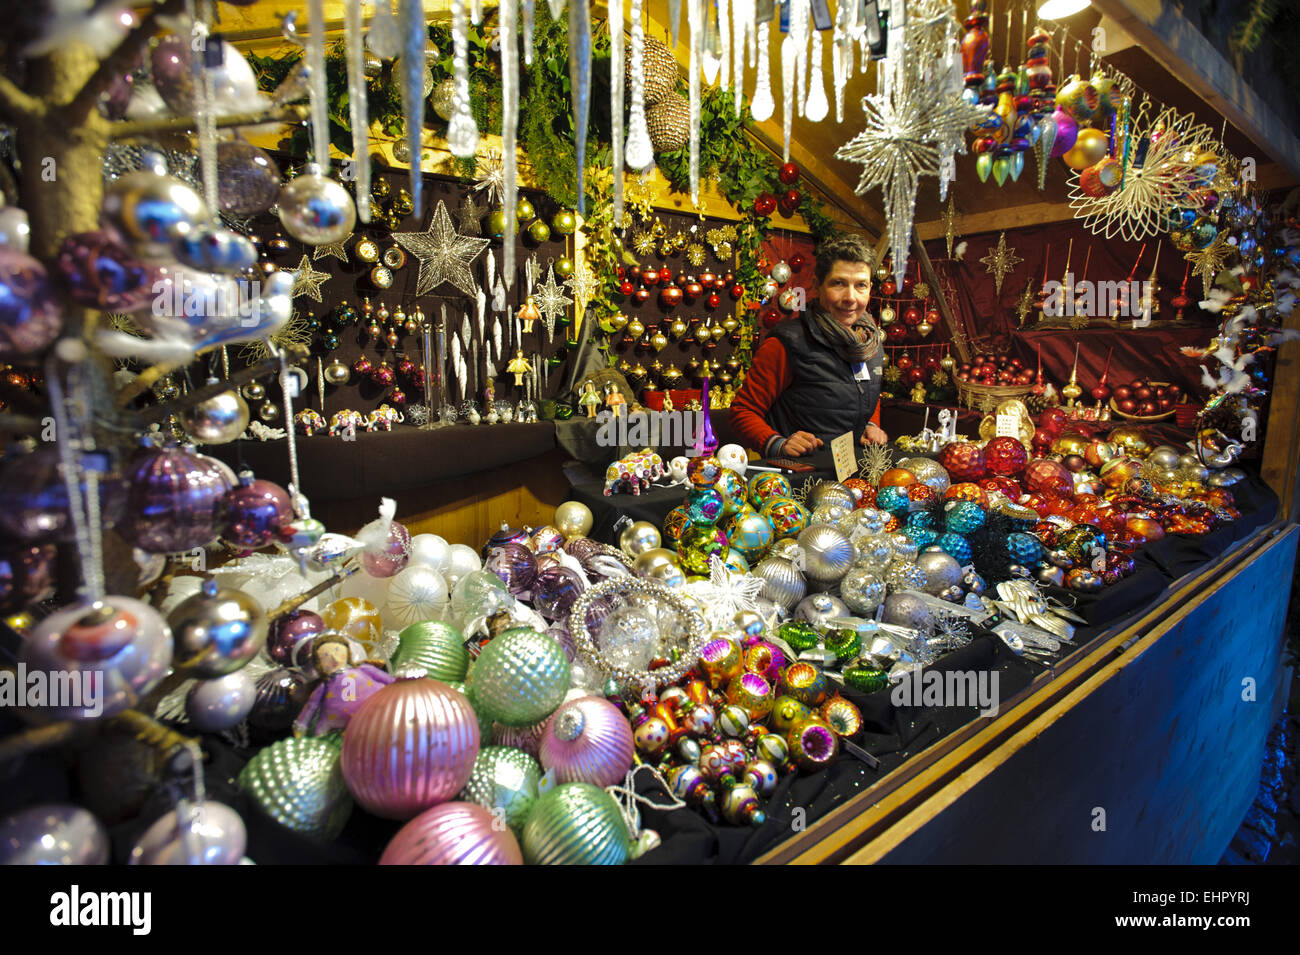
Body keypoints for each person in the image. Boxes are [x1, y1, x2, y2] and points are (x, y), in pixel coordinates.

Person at [731, 234, 888, 458]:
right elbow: (742, 412)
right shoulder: (787, 343)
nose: (850, 297)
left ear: (870, 288)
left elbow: (862, 398)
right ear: (817, 285)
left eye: (860, 285)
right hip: (799, 480)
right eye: (838, 283)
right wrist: (779, 445)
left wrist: (869, 426)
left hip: (851, 477)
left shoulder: (870, 342)